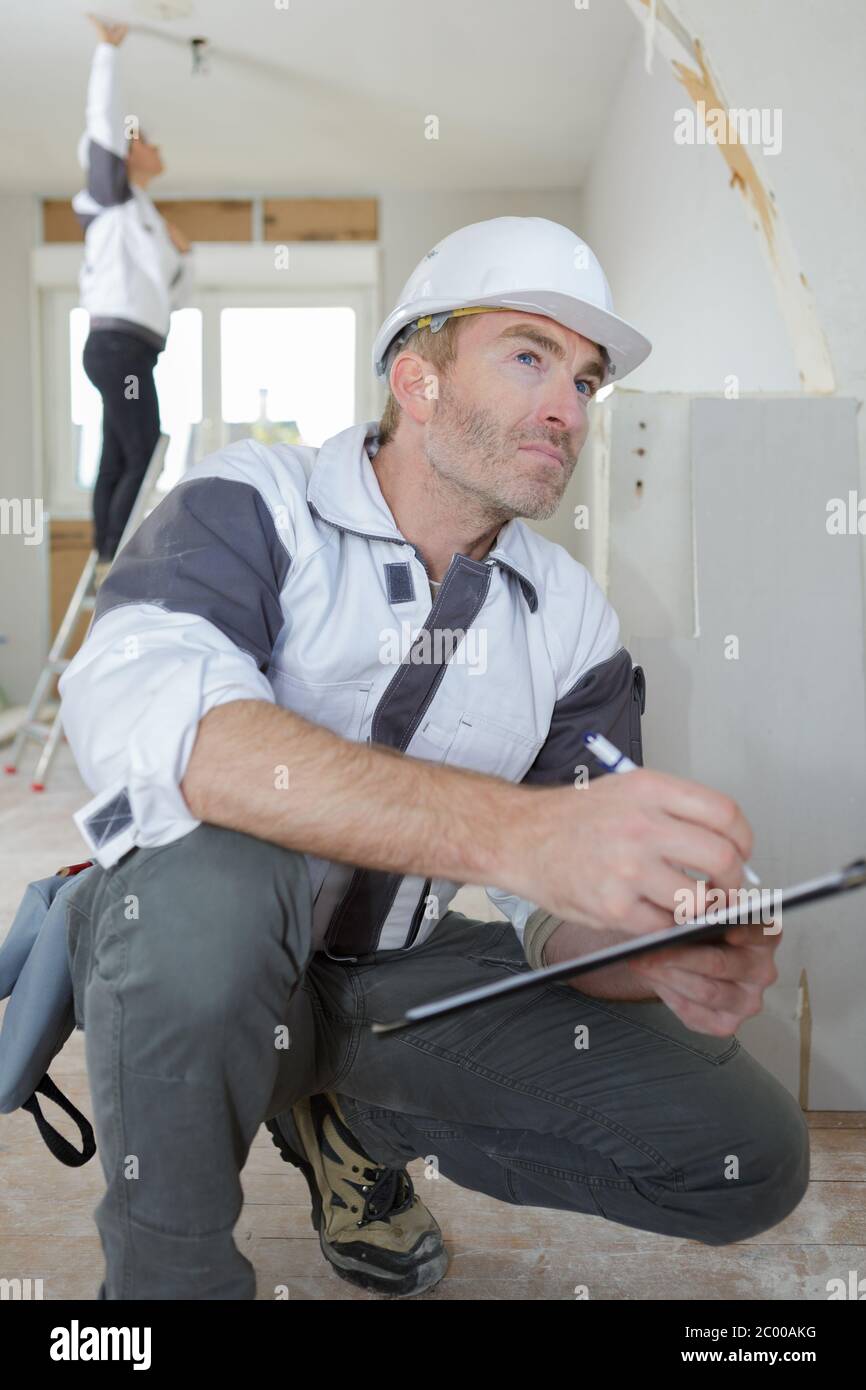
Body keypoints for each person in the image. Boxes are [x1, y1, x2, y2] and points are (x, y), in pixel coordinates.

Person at [58, 216, 809, 1301]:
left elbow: (554, 916)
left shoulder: (570, 617)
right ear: (414, 379)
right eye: (526, 356)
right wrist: (516, 830)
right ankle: (165, 1285)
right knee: (218, 878)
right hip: (194, 966)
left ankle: (348, 1121)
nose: (566, 408)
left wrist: (648, 948)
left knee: (750, 1157)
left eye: (585, 383)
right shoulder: (253, 507)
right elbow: (177, 734)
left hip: (389, 985)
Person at [73, 16, 193, 582]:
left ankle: (104, 553)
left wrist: (182, 256)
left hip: (135, 350)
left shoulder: (145, 219)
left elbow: (176, 301)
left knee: (121, 453)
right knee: (143, 447)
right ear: (123, 155)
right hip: (116, 345)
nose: (155, 144)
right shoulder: (114, 198)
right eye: (143, 138)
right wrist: (107, 52)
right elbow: (103, 123)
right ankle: (115, 558)